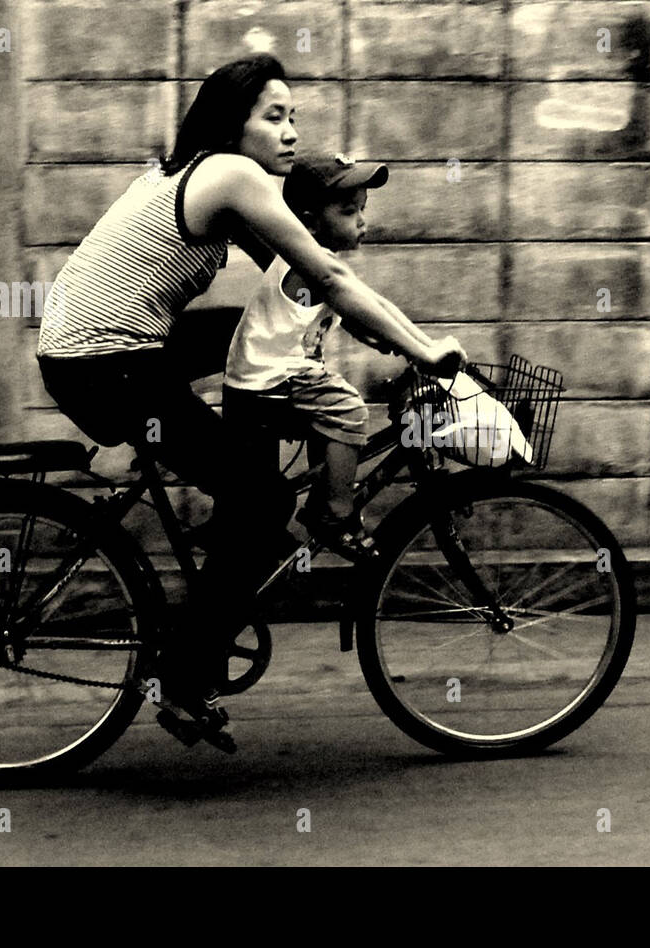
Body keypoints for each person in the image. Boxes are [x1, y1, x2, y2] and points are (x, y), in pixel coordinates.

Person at [33, 55, 465, 723]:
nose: (290, 132)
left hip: (98, 352)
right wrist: (423, 348)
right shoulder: (233, 174)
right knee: (264, 502)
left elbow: (296, 290)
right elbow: (330, 276)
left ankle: (224, 517)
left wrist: (385, 333)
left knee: (248, 335)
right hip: (109, 363)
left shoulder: (191, 171)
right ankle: (183, 678)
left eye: (294, 117)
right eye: (273, 117)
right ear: (233, 122)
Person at [224, 153, 429, 562]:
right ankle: (334, 512)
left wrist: (373, 336)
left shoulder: (307, 260)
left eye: (362, 210)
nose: (361, 221)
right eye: (348, 210)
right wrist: (420, 348)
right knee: (349, 409)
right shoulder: (314, 265)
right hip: (272, 382)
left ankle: (326, 493)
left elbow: (340, 309)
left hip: (262, 378)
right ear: (310, 221)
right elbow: (362, 303)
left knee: (332, 406)